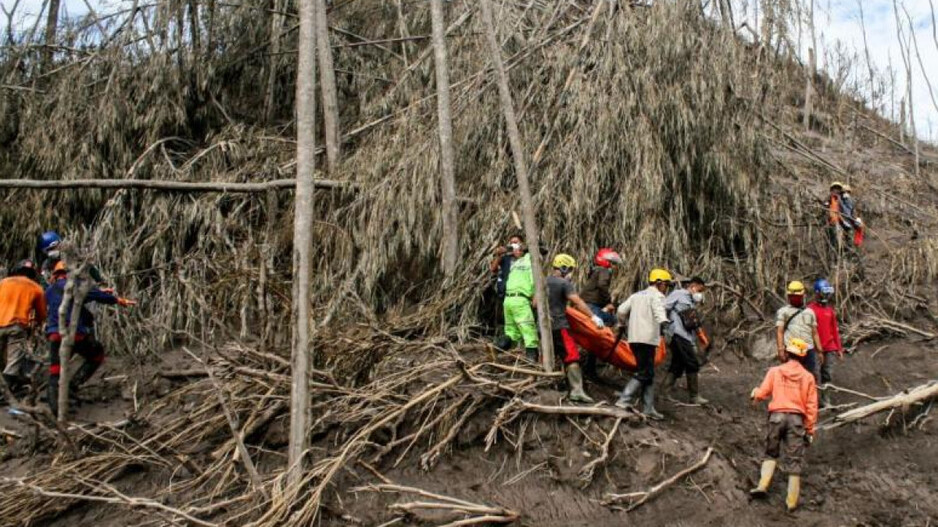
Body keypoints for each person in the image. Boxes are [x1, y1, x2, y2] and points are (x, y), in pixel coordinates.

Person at [45, 262, 135, 415]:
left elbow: (70, 299)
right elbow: (97, 296)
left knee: (56, 370)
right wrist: (118, 300)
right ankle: (73, 386)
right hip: (75, 334)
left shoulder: (49, 290)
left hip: (54, 334)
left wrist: (97, 291)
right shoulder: (76, 284)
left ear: (55, 274)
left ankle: (55, 408)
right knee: (96, 354)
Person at [749, 337, 819, 513]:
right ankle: (791, 502)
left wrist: (755, 394)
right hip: (796, 420)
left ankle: (762, 486)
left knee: (771, 452)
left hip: (777, 417)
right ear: (803, 356)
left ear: (787, 353)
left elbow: (763, 392)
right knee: (794, 460)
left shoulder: (775, 371)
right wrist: (810, 429)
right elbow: (811, 407)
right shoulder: (808, 377)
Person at [546, 254, 605, 403]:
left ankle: (547, 387)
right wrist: (593, 317)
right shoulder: (564, 284)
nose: (571, 274)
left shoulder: (543, 281)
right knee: (572, 355)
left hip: (544, 328)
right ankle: (577, 391)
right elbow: (578, 302)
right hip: (560, 326)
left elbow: (534, 303)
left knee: (548, 354)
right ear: (564, 268)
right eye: (571, 270)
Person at [614, 268, 671, 420]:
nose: (666, 288)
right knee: (645, 372)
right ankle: (624, 399)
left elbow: (620, 310)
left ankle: (648, 407)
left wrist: (621, 323)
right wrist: (665, 323)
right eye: (666, 284)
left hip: (633, 338)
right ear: (659, 283)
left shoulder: (636, 295)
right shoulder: (658, 296)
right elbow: (659, 312)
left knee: (648, 372)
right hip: (647, 339)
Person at [0, 260, 47, 394]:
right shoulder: (36, 288)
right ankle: (5, 391)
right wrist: (37, 324)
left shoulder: (3, 283)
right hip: (17, 326)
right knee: (14, 360)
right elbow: (41, 314)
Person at [662, 276, 709, 404]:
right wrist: (665, 326)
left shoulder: (691, 301)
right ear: (693, 285)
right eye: (700, 290)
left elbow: (691, 321)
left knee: (678, 364)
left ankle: (664, 393)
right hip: (678, 334)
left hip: (686, 336)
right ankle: (694, 396)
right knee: (692, 363)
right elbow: (664, 306)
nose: (700, 294)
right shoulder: (678, 294)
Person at [580, 248, 622, 379]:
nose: (614, 267)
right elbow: (602, 285)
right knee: (614, 322)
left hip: (588, 305)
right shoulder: (604, 271)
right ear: (606, 262)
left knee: (594, 339)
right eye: (612, 263)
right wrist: (608, 302)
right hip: (593, 306)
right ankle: (610, 355)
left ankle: (590, 368)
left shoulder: (595, 271)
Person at [495, 247, 539, 363]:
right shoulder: (532, 264)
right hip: (520, 300)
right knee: (528, 329)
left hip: (508, 301)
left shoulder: (515, 264)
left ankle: (497, 347)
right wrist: (535, 297)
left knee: (511, 332)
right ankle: (531, 361)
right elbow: (535, 282)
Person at [775, 281, 824, 386]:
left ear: (802, 295)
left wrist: (820, 351)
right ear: (788, 296)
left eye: (796, 296)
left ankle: (810, 400)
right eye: (792, 296)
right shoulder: (783, 312)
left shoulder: (810, 312)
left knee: (810, 377)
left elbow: (814, 332)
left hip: (808, 350)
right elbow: (780, 331)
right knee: (790, 378)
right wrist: (780, 349)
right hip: (792, 350)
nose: (794, 298)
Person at [807, 279, 843, 408]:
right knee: (814, 374)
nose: (826, 296)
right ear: (817, 293)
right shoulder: (809, 310)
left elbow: (834, 330)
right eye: (824, 293)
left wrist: (839, 349)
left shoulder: (830, 311)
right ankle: (813, 402)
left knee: (827, 374)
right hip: (814, 348)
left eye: (828, 293)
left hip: (829, 347)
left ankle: (826, 400)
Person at [38, 231, 106, 285]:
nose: (52, 251)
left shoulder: (74, 257)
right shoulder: (46, 265)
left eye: (54, 247)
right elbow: (44, 283)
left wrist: (100, 283)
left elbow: (91, 270)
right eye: (49, 250)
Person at [487, 235, 525, 334]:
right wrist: (499, 255)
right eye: (511, 242)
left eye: (516, 242)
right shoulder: (505, 258)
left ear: (521, 244)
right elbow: (493, 269)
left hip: (520, 293)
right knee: (508, 320)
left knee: (522, 319)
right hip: (506, 293)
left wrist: (517, 253)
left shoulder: (525, 257)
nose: (513, 244)